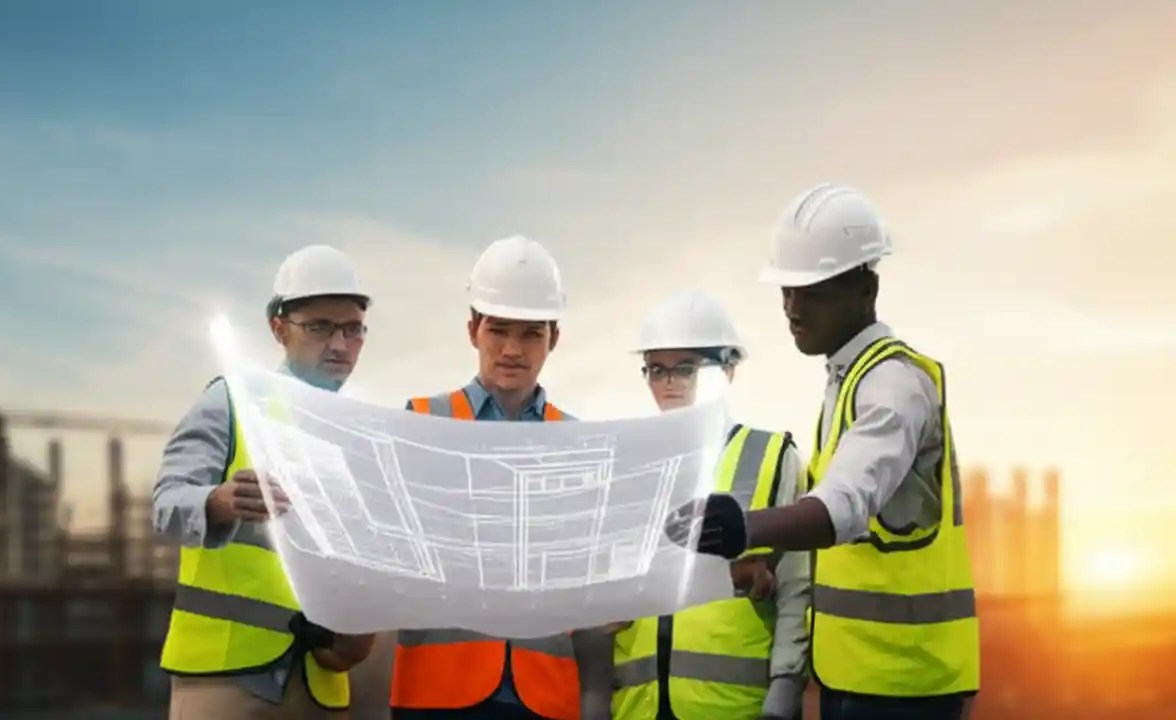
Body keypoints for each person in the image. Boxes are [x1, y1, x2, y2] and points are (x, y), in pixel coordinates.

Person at [668, 183, 980, 719]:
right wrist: (768, 557)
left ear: (866, 288)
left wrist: (746, 526)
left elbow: (844, 505)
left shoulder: (893, 386)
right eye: (787, 289)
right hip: (860, 676)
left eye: (812, 290)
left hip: (906, 687)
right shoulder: (847, 379)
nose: (792, 306)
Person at [153, 245, 378, 719]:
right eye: (319, 327)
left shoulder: (362, 434)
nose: (339, 344)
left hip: (321, 678)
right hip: (226, 678)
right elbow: (166, 504)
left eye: (352, 329)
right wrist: (218, 501)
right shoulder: (232, 403)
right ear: (279, 328)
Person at [388, 235, 602, 720]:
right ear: (472, 330)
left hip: (543, 694)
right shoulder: (421, 422)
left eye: (530, 334)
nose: (511, 349)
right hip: (436, 691)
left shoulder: (578, 443)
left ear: (554, 339)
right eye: (498, 330)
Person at [606, 290, 809, 720]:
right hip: (637, 705)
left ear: (729, 368)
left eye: (687, 368)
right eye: (656, 370)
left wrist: (787, 682)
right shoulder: (627, 465)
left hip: (732, 706)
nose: (669, 383)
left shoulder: (771, 457)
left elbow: (797, 586)